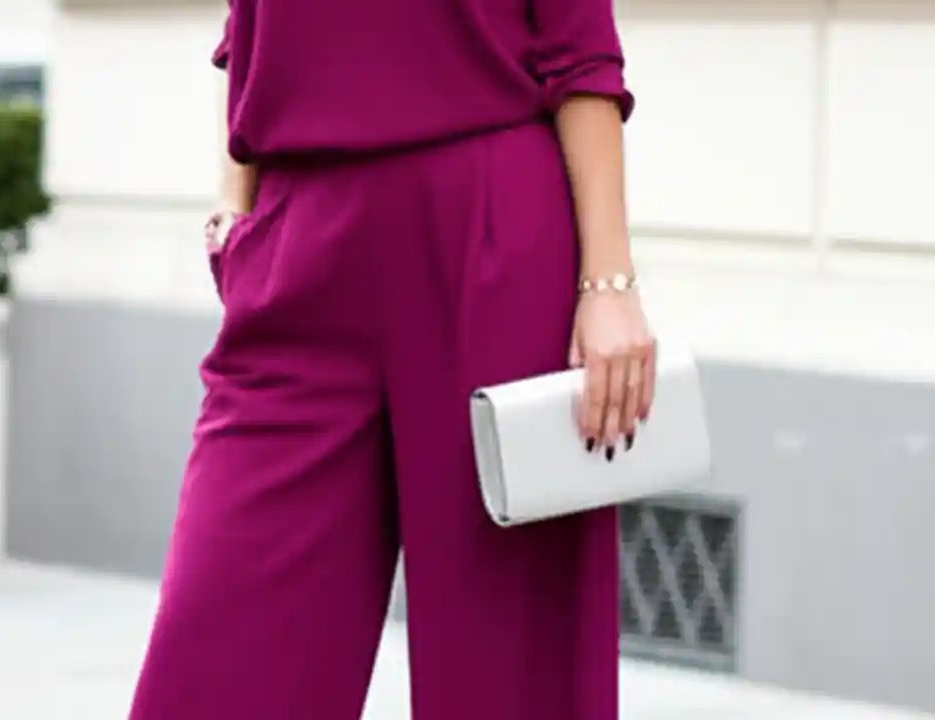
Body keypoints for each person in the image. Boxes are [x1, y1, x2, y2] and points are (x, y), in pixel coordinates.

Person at [130, 0, 655, 717]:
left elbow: (576, 37)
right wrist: (234, 199)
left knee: (506, 677)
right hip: (299, 238)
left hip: (489, 232)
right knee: (220, 659)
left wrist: (608, 281)